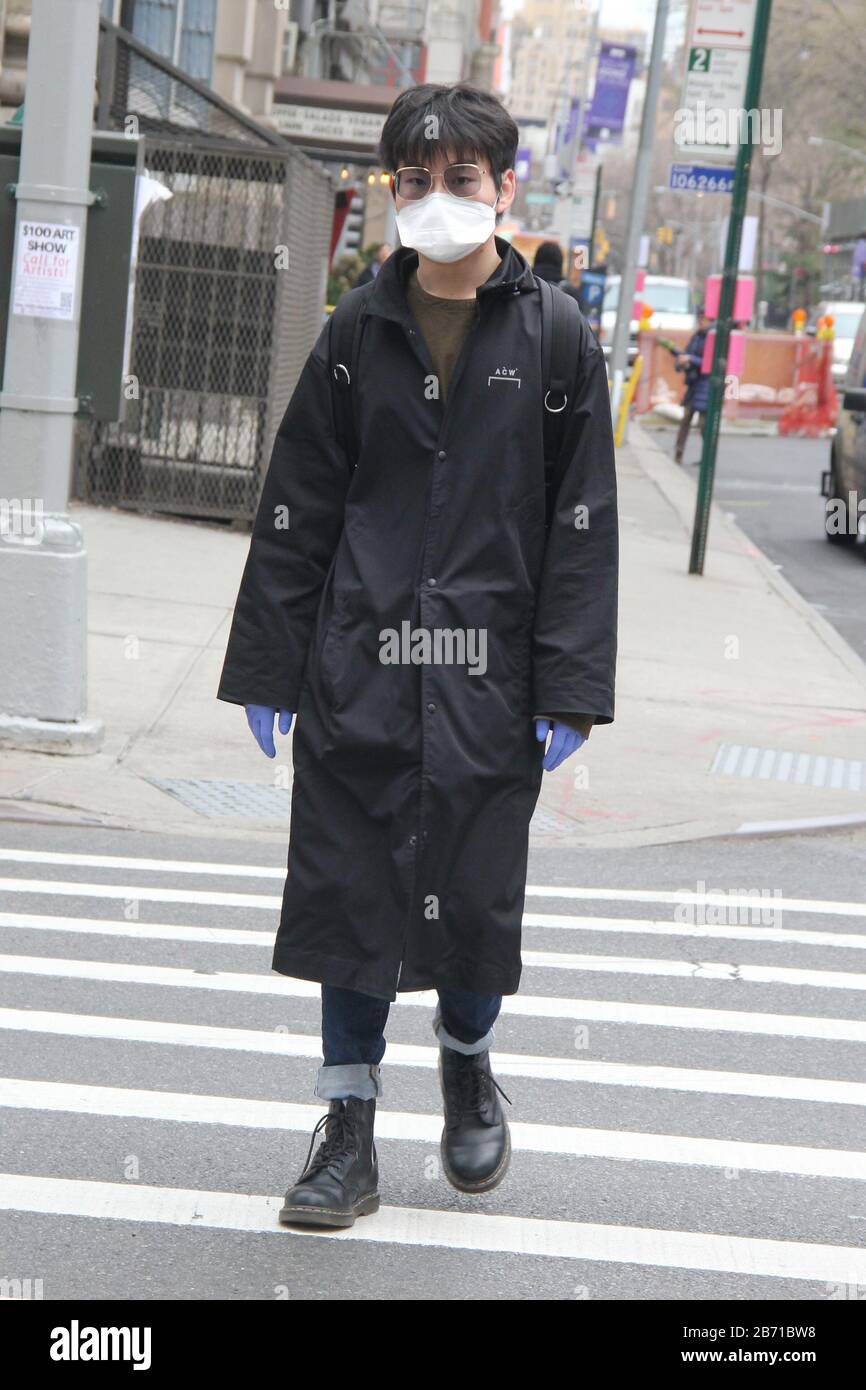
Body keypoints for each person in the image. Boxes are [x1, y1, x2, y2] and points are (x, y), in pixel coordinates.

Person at [216, 82, 618, 1229]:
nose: (437, 199)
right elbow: (299, 503)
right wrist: (270, 665)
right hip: (363, 663)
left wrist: (570, 685)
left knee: (475, 901)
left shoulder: (553, 339)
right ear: (392, 190)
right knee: (349, 892)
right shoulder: (356, 331)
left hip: (492, 679)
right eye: (415, 179)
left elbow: (579, 524)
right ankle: (346, 1132)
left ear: (502, 190)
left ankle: (466, 1057)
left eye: (459, 178)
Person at [674, 304, 711, 464]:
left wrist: (691, 360)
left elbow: (710, 363)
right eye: (700, 318)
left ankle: (708, 457)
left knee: (704, 424)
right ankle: (678, 454)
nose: (701, 321)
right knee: (686, 420)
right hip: (694, 384)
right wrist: (681, 362)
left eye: (704, 319)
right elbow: (686, 353)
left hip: (707, 385)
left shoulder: (713, 338)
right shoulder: (696, 337)